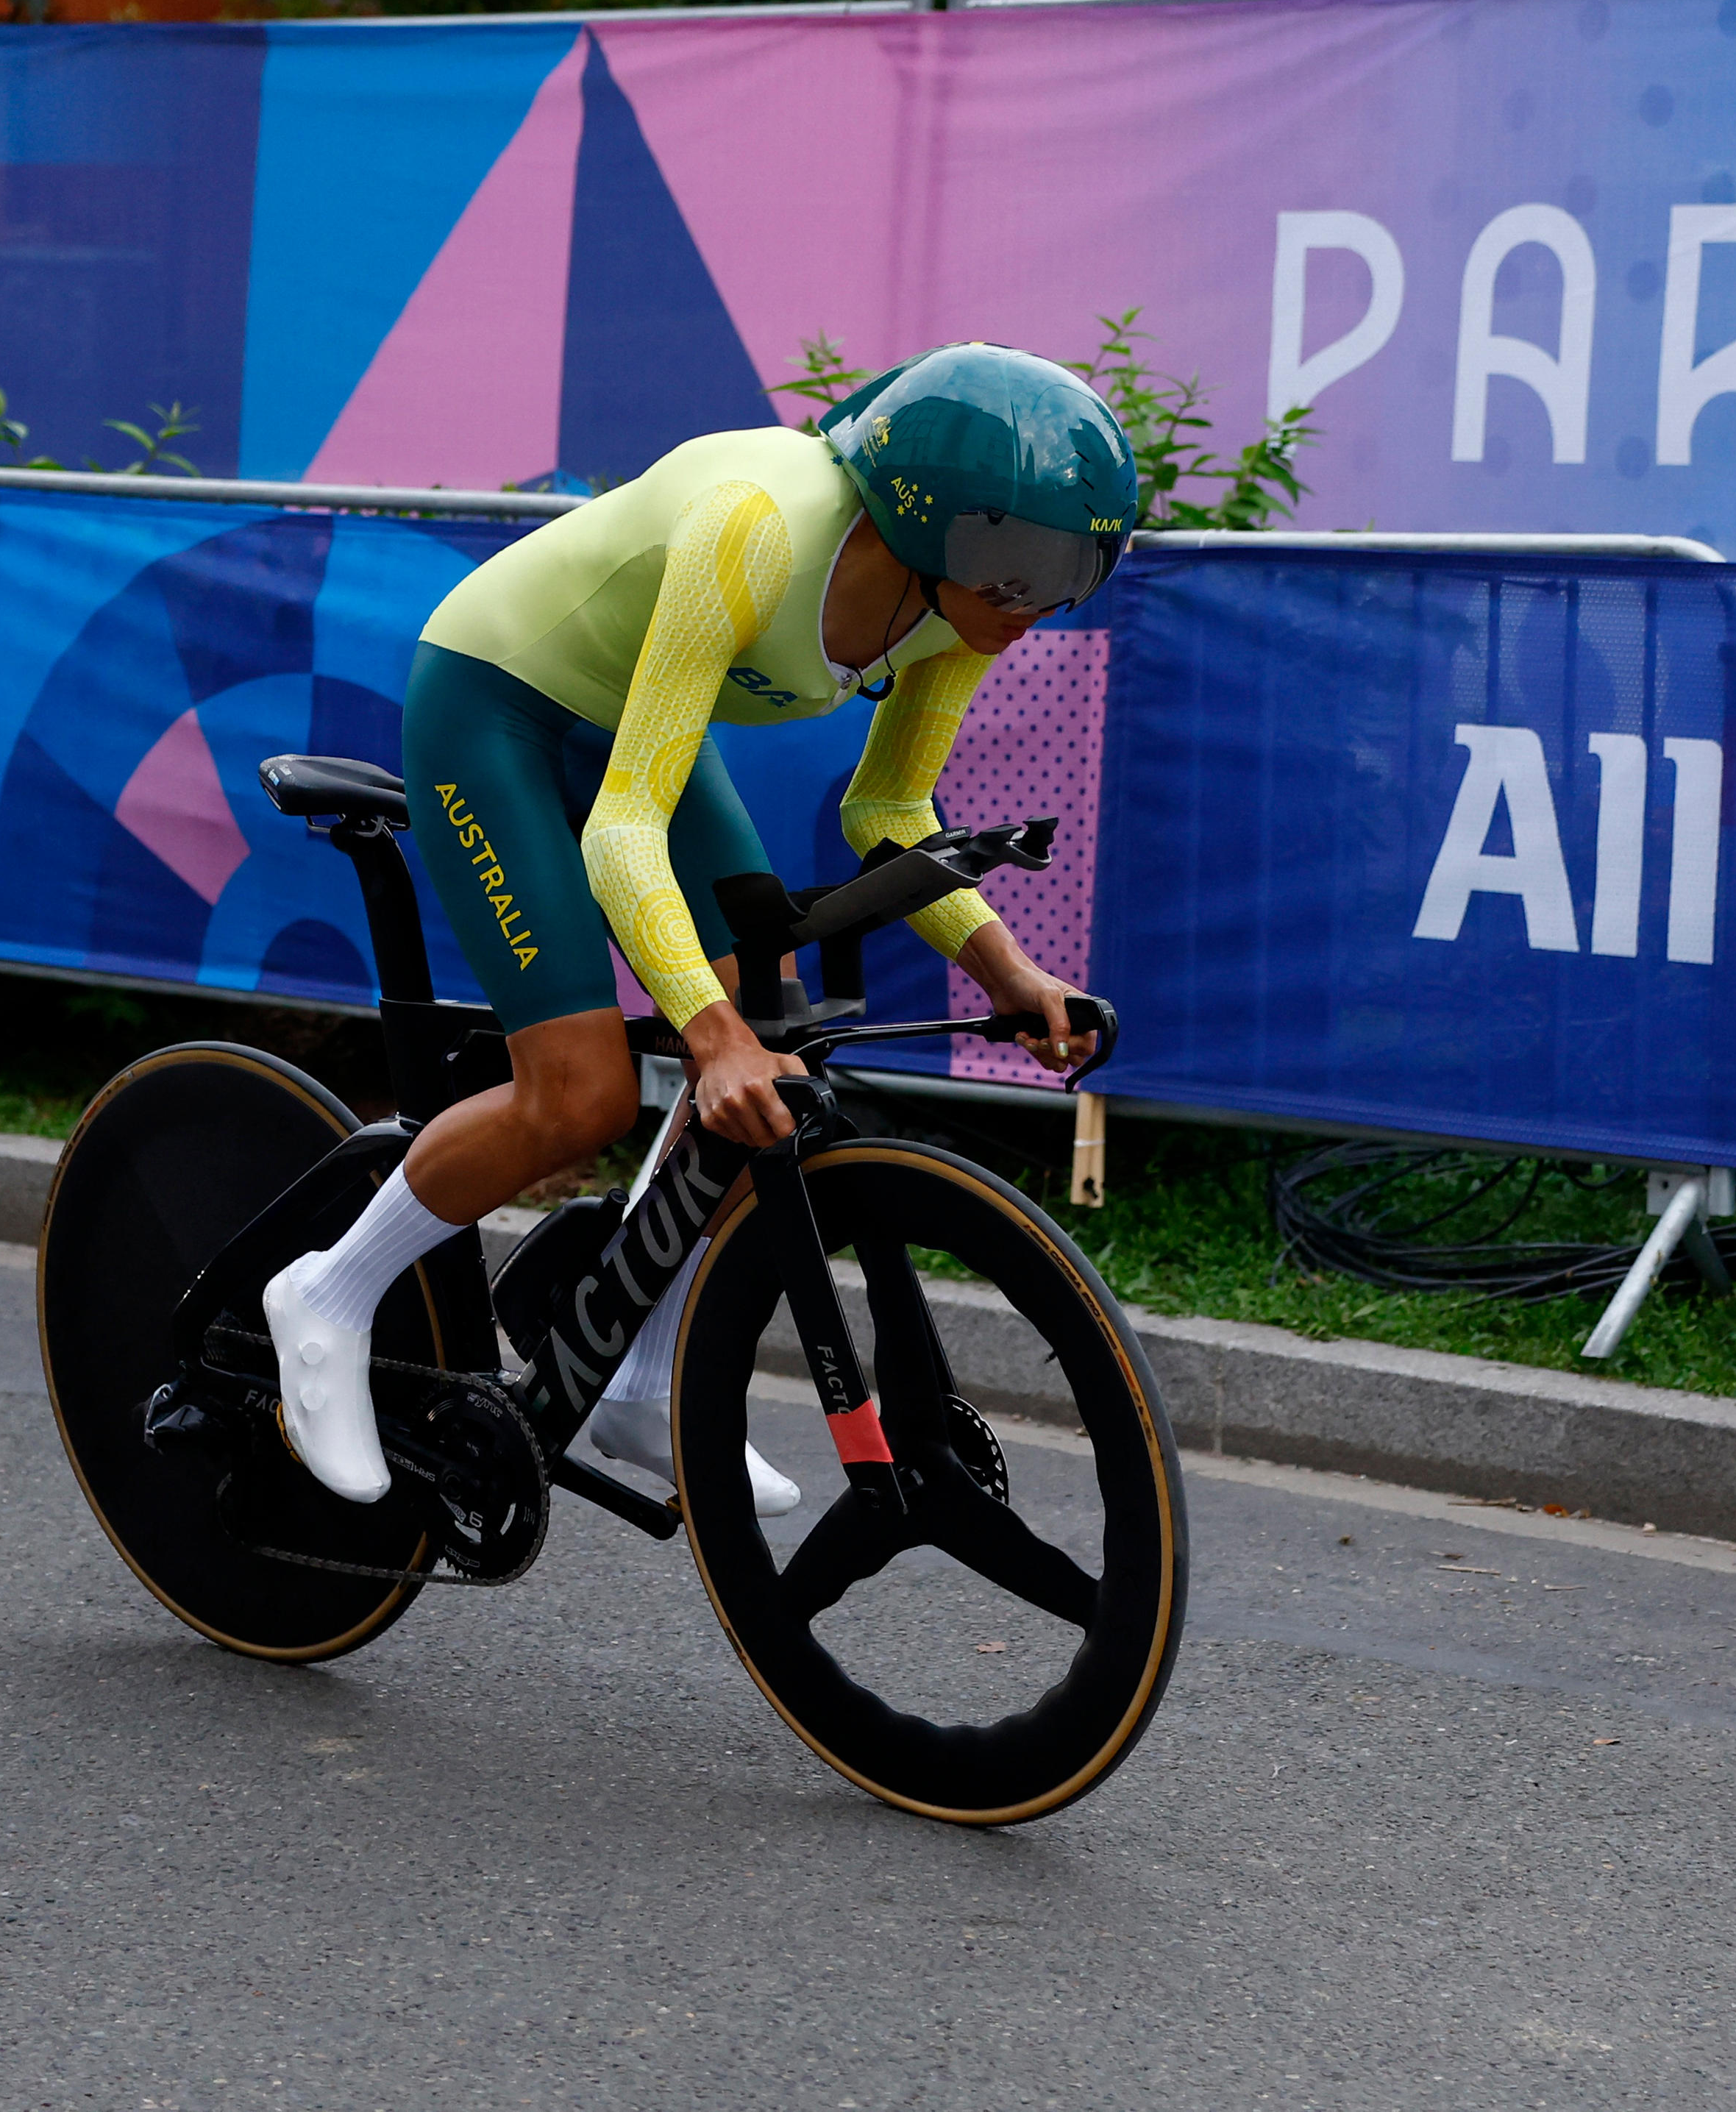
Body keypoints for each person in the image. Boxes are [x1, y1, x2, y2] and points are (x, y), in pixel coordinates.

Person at [262, 343, 1138, 1513]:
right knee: (580, 1093)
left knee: (774, 1050)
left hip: (619, 718)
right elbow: (626, 828)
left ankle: (637, 1371)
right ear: (933, 522)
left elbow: (889, 811)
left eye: (1069, 572)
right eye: (1022, 567)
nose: (1036, 605)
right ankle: (326, 1291)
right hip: (497, 702)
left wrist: (1011, 970)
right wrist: (706, 1032)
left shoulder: (957, 611)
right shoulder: (759, 525)